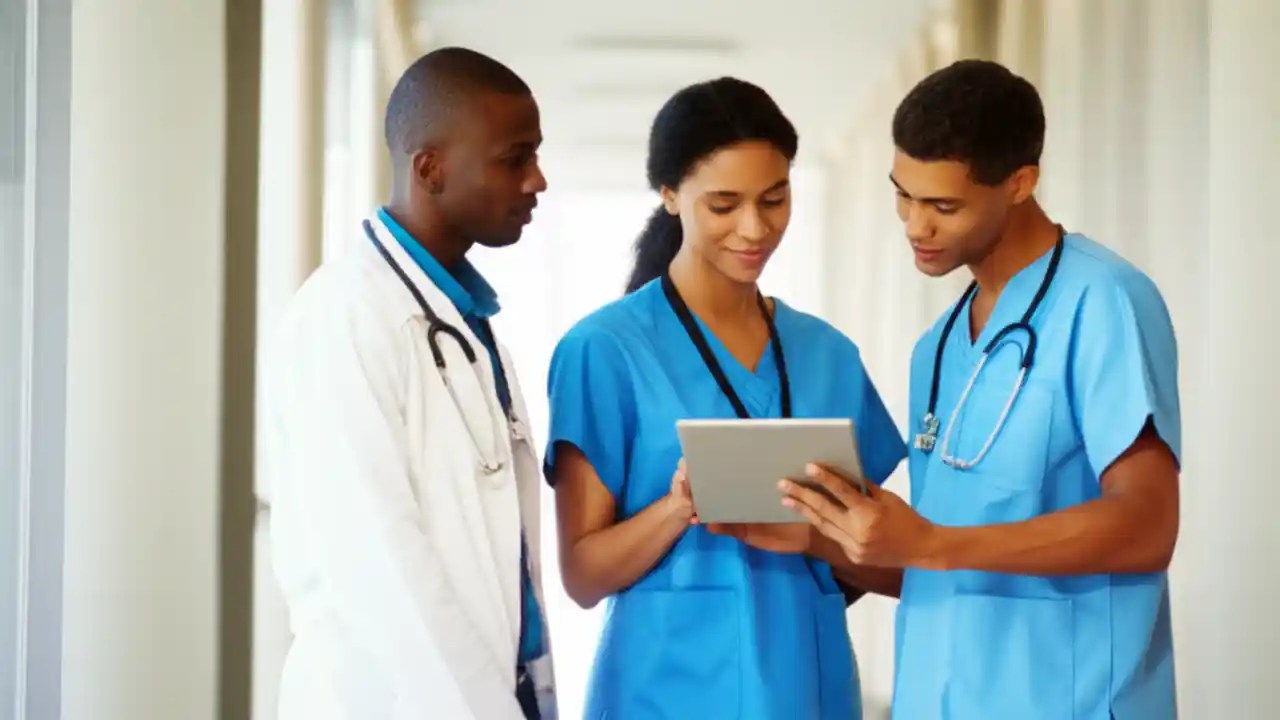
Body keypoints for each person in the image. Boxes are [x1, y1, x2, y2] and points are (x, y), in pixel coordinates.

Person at [779, 59, 1182, 719]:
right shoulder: (936, 347)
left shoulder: (1104, 300)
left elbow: (1147, 524)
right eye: (902, 195)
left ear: (1020, 183)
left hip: (1070, 700)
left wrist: (931, 543)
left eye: (943, 205)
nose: (915, 225)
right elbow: (937, 565)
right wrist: (821, 537)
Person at [544, 77, 907, 720]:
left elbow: (887, 562)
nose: (755, 227)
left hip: (807, 688)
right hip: (663, 690)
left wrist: (818, 542)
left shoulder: (827, 355)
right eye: (723, 204)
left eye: (775, 199)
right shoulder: (605, 350)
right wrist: (678, 507)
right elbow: (582, 575)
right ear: (669, 196)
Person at [262, 47, 556, 720]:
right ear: (431, 168)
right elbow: (377, 558)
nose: (537, 180)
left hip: (489, 690)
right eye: (516, 158)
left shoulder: (470, 329)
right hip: (391, 699)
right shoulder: (346, 317)